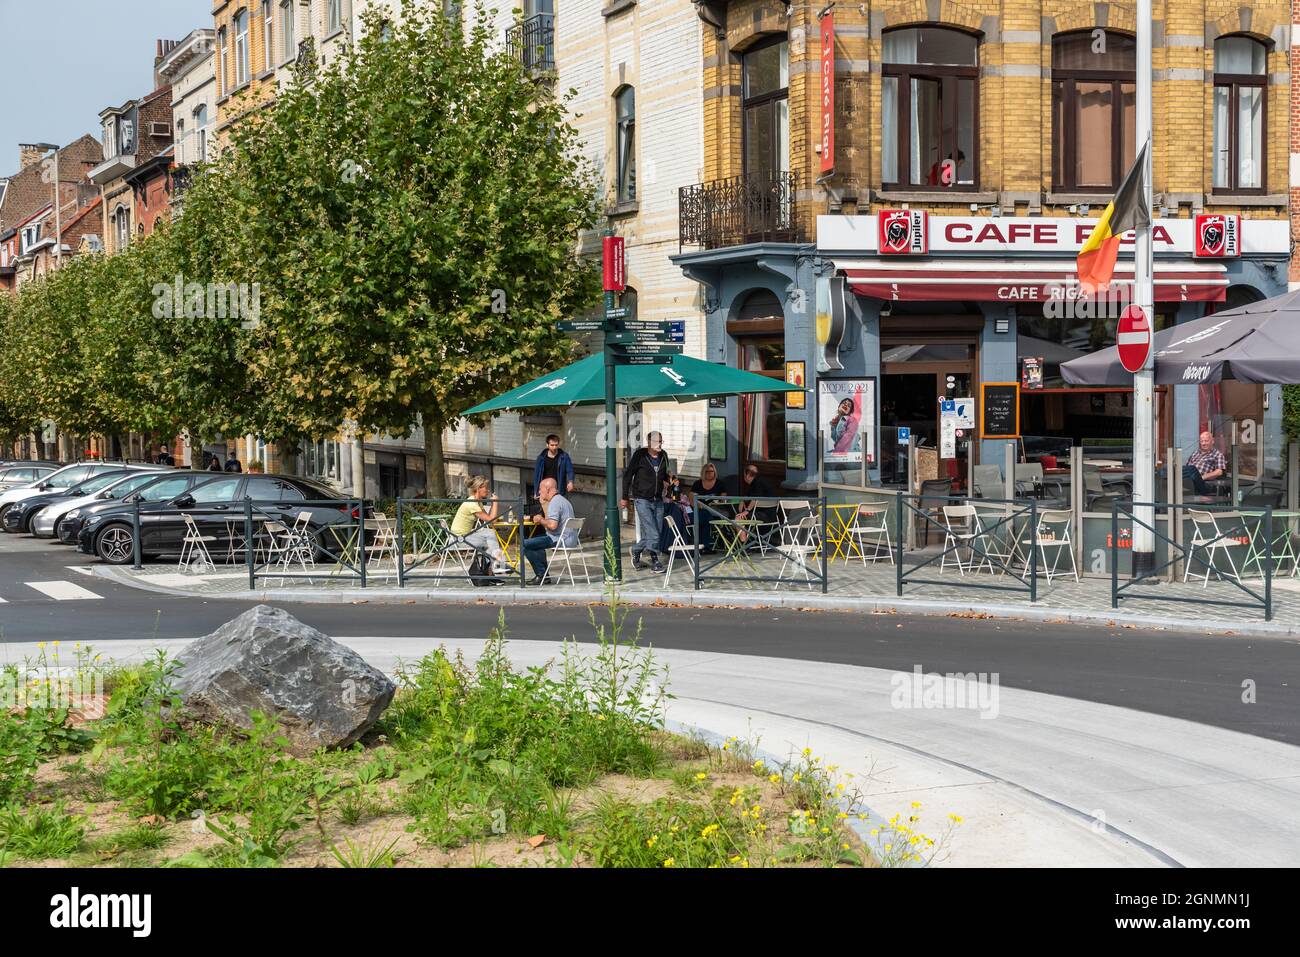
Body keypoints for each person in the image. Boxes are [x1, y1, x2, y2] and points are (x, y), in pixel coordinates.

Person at [621, 431, 672, 572]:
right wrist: (624, 497)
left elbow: (666, 474)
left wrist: (668, 481)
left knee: (656, 532)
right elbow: (628, 476)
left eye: (661, 441)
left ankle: (636, 550)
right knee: (653, 533)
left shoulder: (664, 455)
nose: (660, 444)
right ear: (649, 442)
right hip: (642, 499)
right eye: (657, 442)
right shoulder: (640, 455)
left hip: (658, 499)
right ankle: (655, 562)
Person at [450, 475, 514, 576]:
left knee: (490, 537)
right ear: (478, 488)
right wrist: (495, 503)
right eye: (485, 487)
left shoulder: (477, 502)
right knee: (490, 537)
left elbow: (489, 519)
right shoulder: (472, 504)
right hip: (458, 539)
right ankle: (497, 567)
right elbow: (492, 521)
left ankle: (492, 573)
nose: (488, 490)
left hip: (466, 535)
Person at [523, 477, 578, 585]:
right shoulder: (563, 500)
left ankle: (541, 575)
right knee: (536, 542)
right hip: (571, 539)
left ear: (548, 489)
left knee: (525, 544)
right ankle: (544, 576)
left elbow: (552, 526)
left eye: (540, 489)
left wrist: (540, 519)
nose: (539, 492)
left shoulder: (555, 502)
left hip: (560, 539)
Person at [1184, 431, 1227, 495]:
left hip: (1204, 483)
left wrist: (1201, 477)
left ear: (1212, 441)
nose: (1203, 443)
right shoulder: (1195, 453)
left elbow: (1219, 472)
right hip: (1189, 481)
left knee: (1192, 469)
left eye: (1206, 441)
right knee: (1170, 469)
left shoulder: (1217, 454)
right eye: (1201, 441)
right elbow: (1187, 468)